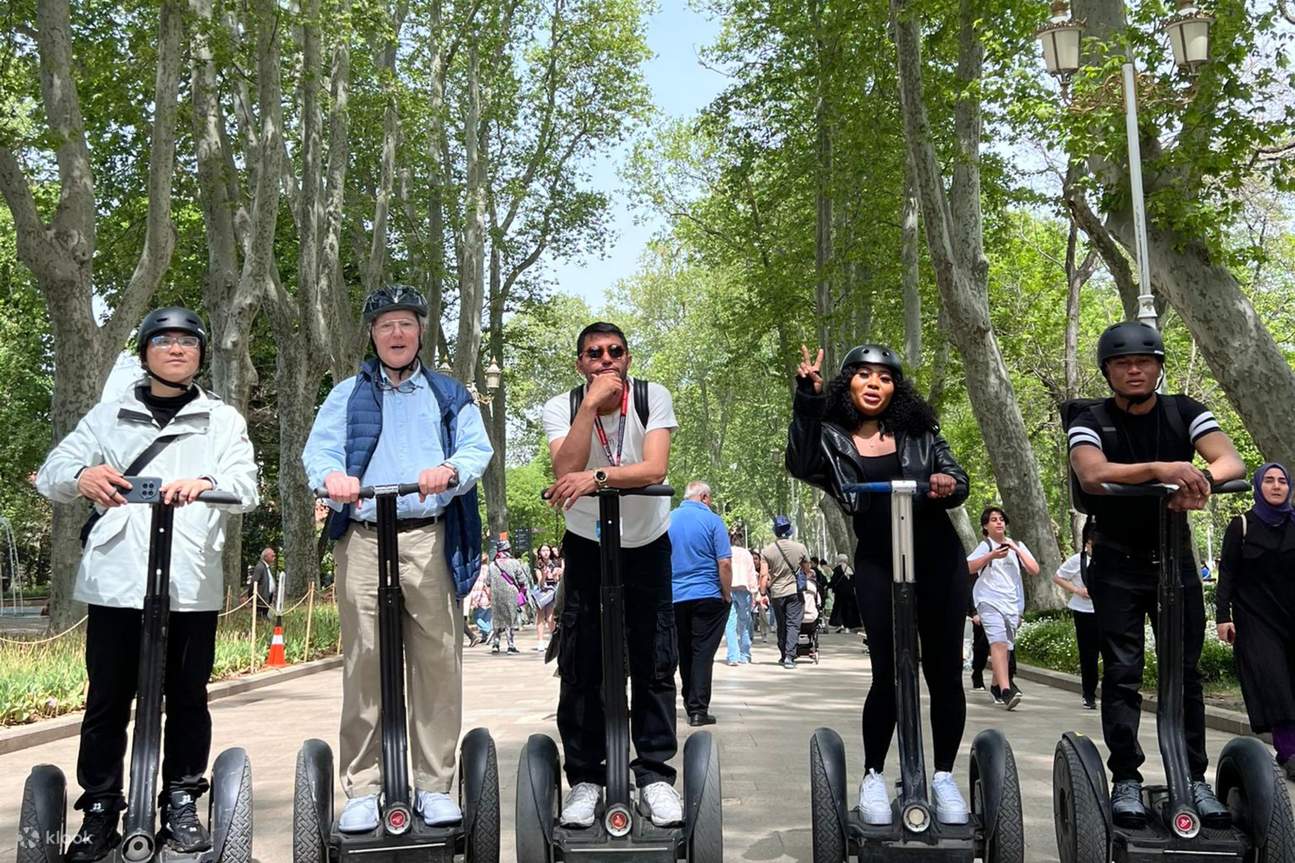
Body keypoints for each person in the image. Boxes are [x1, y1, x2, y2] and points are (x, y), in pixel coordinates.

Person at [36, 307, 259, 861]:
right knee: (107, 698)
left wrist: (206, 482)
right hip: (117, 581)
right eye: (164, 341)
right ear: (145, 352)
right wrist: (82, 475)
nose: (177, 350)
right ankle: (102, 807)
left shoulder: (222, 419)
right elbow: (52, 472)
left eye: (188, 342)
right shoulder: (110, 415)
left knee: (188, 697)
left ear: (201, 354)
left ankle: (181, 799)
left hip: (188, 578)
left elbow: (244, 485)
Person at [302, 284, 493, 831]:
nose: (396, 334)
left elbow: (476, 448)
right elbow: (320, 450)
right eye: (385, 325)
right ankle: (363, 786)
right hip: (363, 535)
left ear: (420, 331)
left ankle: (434, 783)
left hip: (427, 534)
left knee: (437, 662)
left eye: (406, 323)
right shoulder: (347, 394)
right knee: (364, 661)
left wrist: (451, 471)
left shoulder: (448, 392)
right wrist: (332, 478)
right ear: (372, 334)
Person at [1067, 320, 1244, 828]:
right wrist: (1164, 469)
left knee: (1183, 673)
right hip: (1116, 562)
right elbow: (1092, 474)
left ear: (1159, 366)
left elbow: (1228, 460)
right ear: (1108, 371)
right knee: (1122, 673)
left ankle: (1192, 778)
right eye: (1123, 363)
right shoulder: (1090, 418)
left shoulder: (1184, 410)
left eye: (1144, 361)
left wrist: (1201, 479)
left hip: (1176, 561)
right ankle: (1126, 776)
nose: (1134, 369)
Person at [786, 343, 971, 826]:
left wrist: (948, 483)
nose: (874, 384)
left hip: (937, 559)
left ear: (897, 388)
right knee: (888, 671)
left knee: (945, 673)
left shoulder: (920, 432)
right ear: (848, 382)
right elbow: (800, 464)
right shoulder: (830, 437)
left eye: (885, 378)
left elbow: (957, 474)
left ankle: (943, 777)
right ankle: (873, 774)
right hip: (877, 561)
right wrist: (807, 399)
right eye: (864, 375)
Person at [542, 321, 683, 829]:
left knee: (654, 660)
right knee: (582, 664)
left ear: (628, 357)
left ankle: (654, 777)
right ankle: (586, 778)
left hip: (646, 545)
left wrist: (597, 478)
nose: (606, 360)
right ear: (581, 362)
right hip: (586, 546)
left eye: (614, 351)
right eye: (594, 353)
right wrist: (588, 407)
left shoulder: (652, 397)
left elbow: (654, 470)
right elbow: (565, 470)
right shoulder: (563, 405)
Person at [1216, 463, 1295, 780]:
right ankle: (1290, 752)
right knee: (1275, 683)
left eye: (1282, 481)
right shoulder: (1242, 525)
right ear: (1258, 486)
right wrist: (1223, 616)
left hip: (1291, 616)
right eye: (1269, 481)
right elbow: (1227, 575)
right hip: (1256, 620)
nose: (1276, 486)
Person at [668, 481, 733, 726]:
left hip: (675, 596)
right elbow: (724, 563)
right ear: (704, 496)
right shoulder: (713, 521)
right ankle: (698, 710)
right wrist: (726, 594)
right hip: (707, 594)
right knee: (703, 653)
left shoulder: (668, 520)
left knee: (684, 651)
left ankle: (688, 701)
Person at [966, 506, 1037, 710]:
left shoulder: (1017, 545)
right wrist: (991, 556)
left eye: (1001, 519)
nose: (999, 522)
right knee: (998, 642)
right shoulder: (985, 545)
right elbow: (968, 567)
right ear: (985, 527)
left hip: (1012, 604)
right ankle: (1007, 691)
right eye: (993, 520)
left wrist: (1016, 549)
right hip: (988, 602)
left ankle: (997, 685)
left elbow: (1034, 570)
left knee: (1005, 648)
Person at [1053, 541, 1099, 709]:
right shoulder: (1077, 560)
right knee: (1088, 655)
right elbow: (1058, 577)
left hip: (1106, 610)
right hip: (1084, 611)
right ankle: (1089, 694)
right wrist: (1077, 590)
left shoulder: (1109, 559)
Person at [760, 516, 807, 669]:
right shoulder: (800, 548)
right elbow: (806, 569)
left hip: (777, 592)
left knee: (781, 624)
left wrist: (762, 592)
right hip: (794, 591)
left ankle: (783, 654)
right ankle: (789, 656)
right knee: (793, 624)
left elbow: (763, 575)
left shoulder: (767, 551)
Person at [725, 528, 762, 666]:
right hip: (744, 591)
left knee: (730, 623)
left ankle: (733, 656)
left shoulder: (726, 551)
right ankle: (745, 655)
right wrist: (755, 592)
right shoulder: (747, 554)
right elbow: (751, 574)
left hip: (729, 589)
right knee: (744, 623)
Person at [487, 541, 525, 654]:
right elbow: (521, 579)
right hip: (511, 594)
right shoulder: (514, 563)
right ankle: (510, 645)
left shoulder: (492, 565)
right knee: (510, 619)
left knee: (497, 619)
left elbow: (488, 582)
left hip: (496, 594)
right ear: (508, 549)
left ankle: (496, 644)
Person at [533, 543, 561, 651]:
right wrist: (544, 575)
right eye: (543, 550)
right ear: (539, 552)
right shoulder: (538, 565)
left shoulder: (554, 563)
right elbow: (540, 583)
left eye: (548, 550)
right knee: (540, 616)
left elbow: (557, 579)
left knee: (550, 618)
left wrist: (555, 575)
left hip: (552, 591)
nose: (546, 552)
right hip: (542, 592)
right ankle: (540, 641)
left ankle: (554, 638)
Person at [828, 553, 861, 632]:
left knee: (839, 609)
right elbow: (854, 581)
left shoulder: (838, 569)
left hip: (840, 593)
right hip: (850, 593)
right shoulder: (850, 569)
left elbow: (834, 580)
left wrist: (828, 586)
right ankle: (848, 626)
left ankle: (840, 624)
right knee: (849, 609)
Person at [250, 547, 276, 617]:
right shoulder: (260, 567)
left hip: (267, 598)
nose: (274, 558)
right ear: (266, 557)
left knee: (265, 617)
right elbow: (253, 583)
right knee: (260, 617)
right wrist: (252, 597)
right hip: (261, 600)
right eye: (272, 556)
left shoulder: (267, 567)